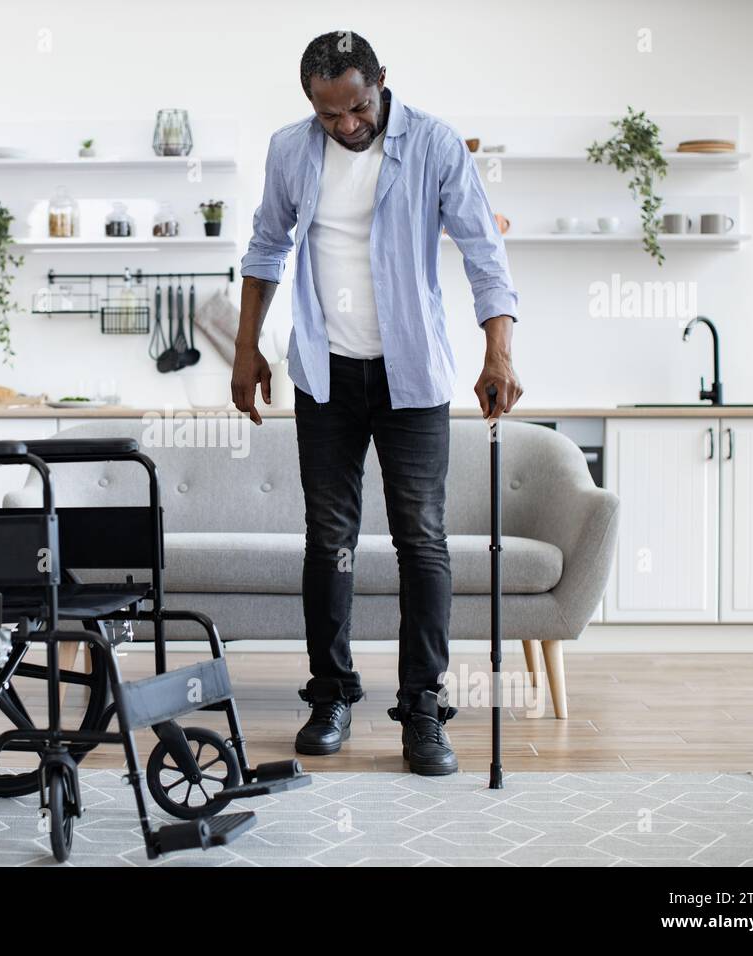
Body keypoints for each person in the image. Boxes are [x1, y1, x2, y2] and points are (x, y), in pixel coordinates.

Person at [231, 30, 522, 775]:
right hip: (325, 373)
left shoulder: (434, 144)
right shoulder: (291, 150)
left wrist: (499, 352)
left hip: (412, 374)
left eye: (358, 108)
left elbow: (484, 251)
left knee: (421, 540)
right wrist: (245, 348)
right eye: (330, 115)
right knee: (328, 537)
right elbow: (267, 247)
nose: (348, 126)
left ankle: (423, 710)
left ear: (381, 83)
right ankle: (331, 693)